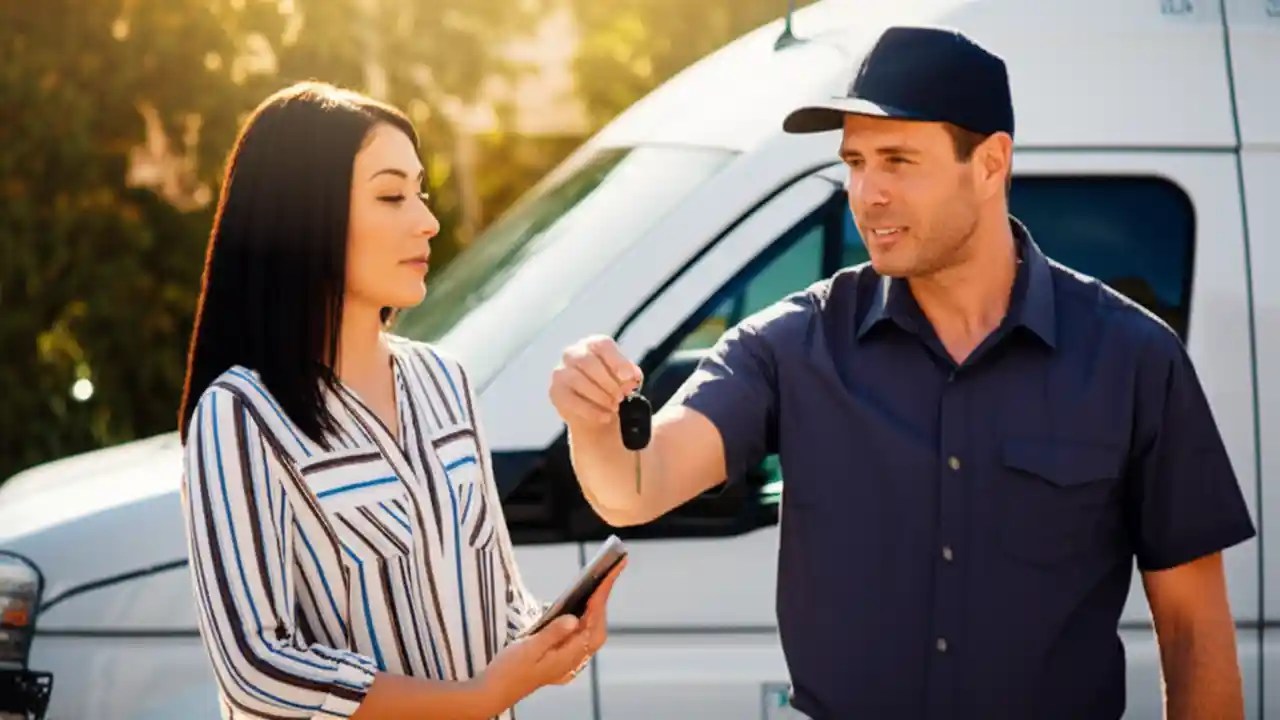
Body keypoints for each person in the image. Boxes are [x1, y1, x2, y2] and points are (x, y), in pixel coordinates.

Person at [548, 25, 1255, 720]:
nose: (867, 193)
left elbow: (1194, 633)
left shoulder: (1134, 360)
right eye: (855, 163)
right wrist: (594, 423)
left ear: (989, 163)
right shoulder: (792, 345)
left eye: (898, 161)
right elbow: (637, 486)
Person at [177, 81, 625, 720]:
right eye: (391, 195)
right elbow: (257, 666)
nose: (427, 221)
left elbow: (499, 601)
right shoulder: (242, 414)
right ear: (304, 214)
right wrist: (469, 702)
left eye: (420, 192)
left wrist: (553, 639)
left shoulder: (446, 383)